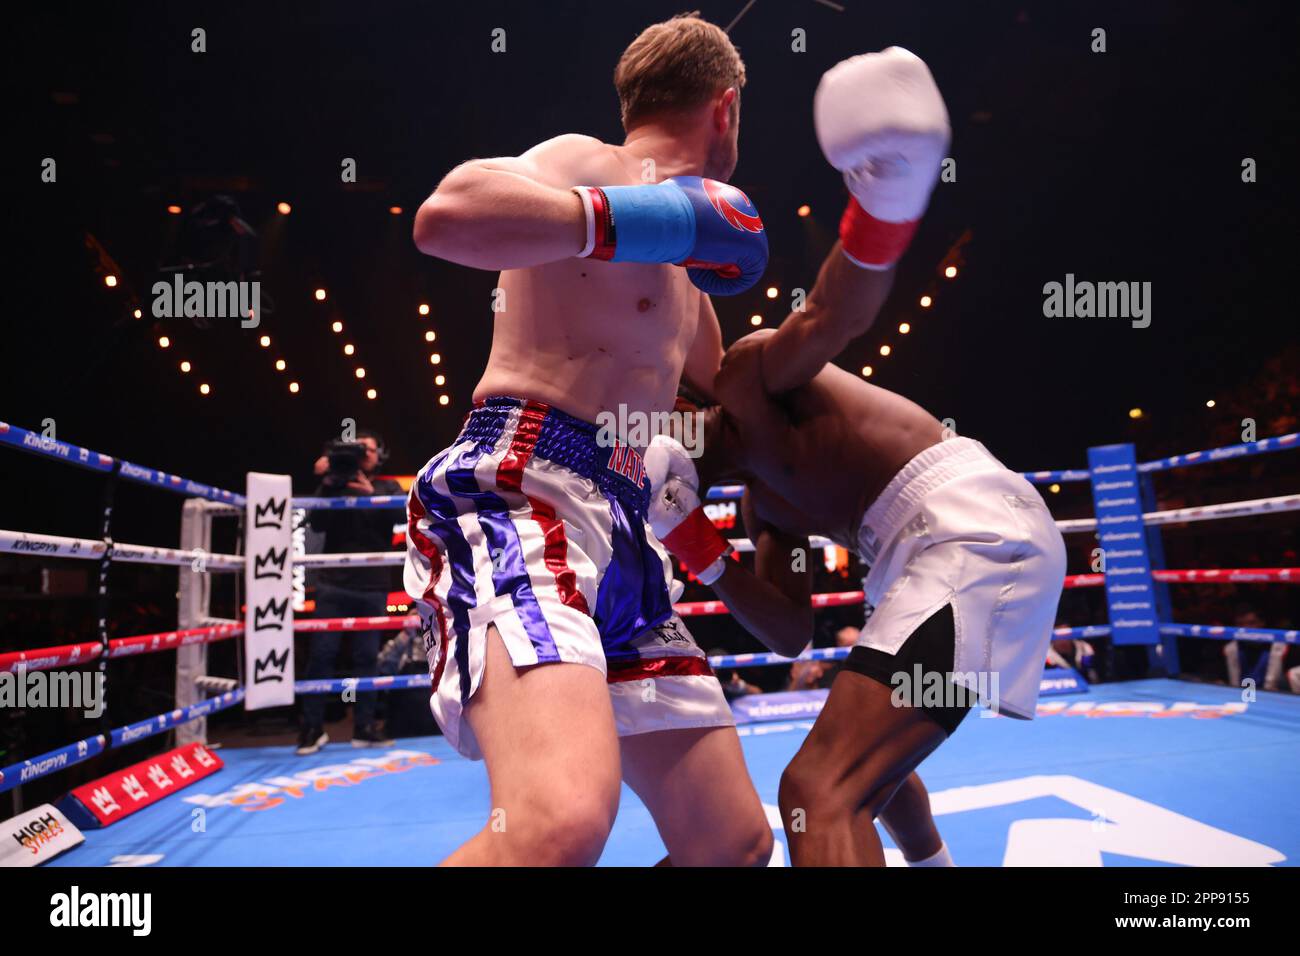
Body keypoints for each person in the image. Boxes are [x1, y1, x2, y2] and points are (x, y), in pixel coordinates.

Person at [647, 47, 1067, 866]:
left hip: (968, 527)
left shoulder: (749, 374)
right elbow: (791, 633)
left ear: (687, 398)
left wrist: (887, 193)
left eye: (657, 414)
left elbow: (835, 316)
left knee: (816, 792)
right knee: (865, 766)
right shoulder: (762, 503)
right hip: (927, 554)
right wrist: (695, 545)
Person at [405, 13, 773, 866]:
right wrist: (614, 215)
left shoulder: (688, 271)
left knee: (733, 842)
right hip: (523, 484)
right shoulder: (587, 165)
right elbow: (446, 215)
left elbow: (744, 396)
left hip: (627, 532)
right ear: (725, 111)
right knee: (557, 824)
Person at [298, 429, 403, 754]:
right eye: (358, 449)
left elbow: (402, 518)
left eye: (368, 449)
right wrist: (329, 484)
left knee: (366, 659)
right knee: (321, 657)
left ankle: (364, 727)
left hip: (372, 587)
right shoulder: (334, 484)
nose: (364, 454)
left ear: (379, 454)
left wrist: (370, 494)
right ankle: (312, 729)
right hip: (332, 585)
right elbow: (317, 524)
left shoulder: (387, 487)